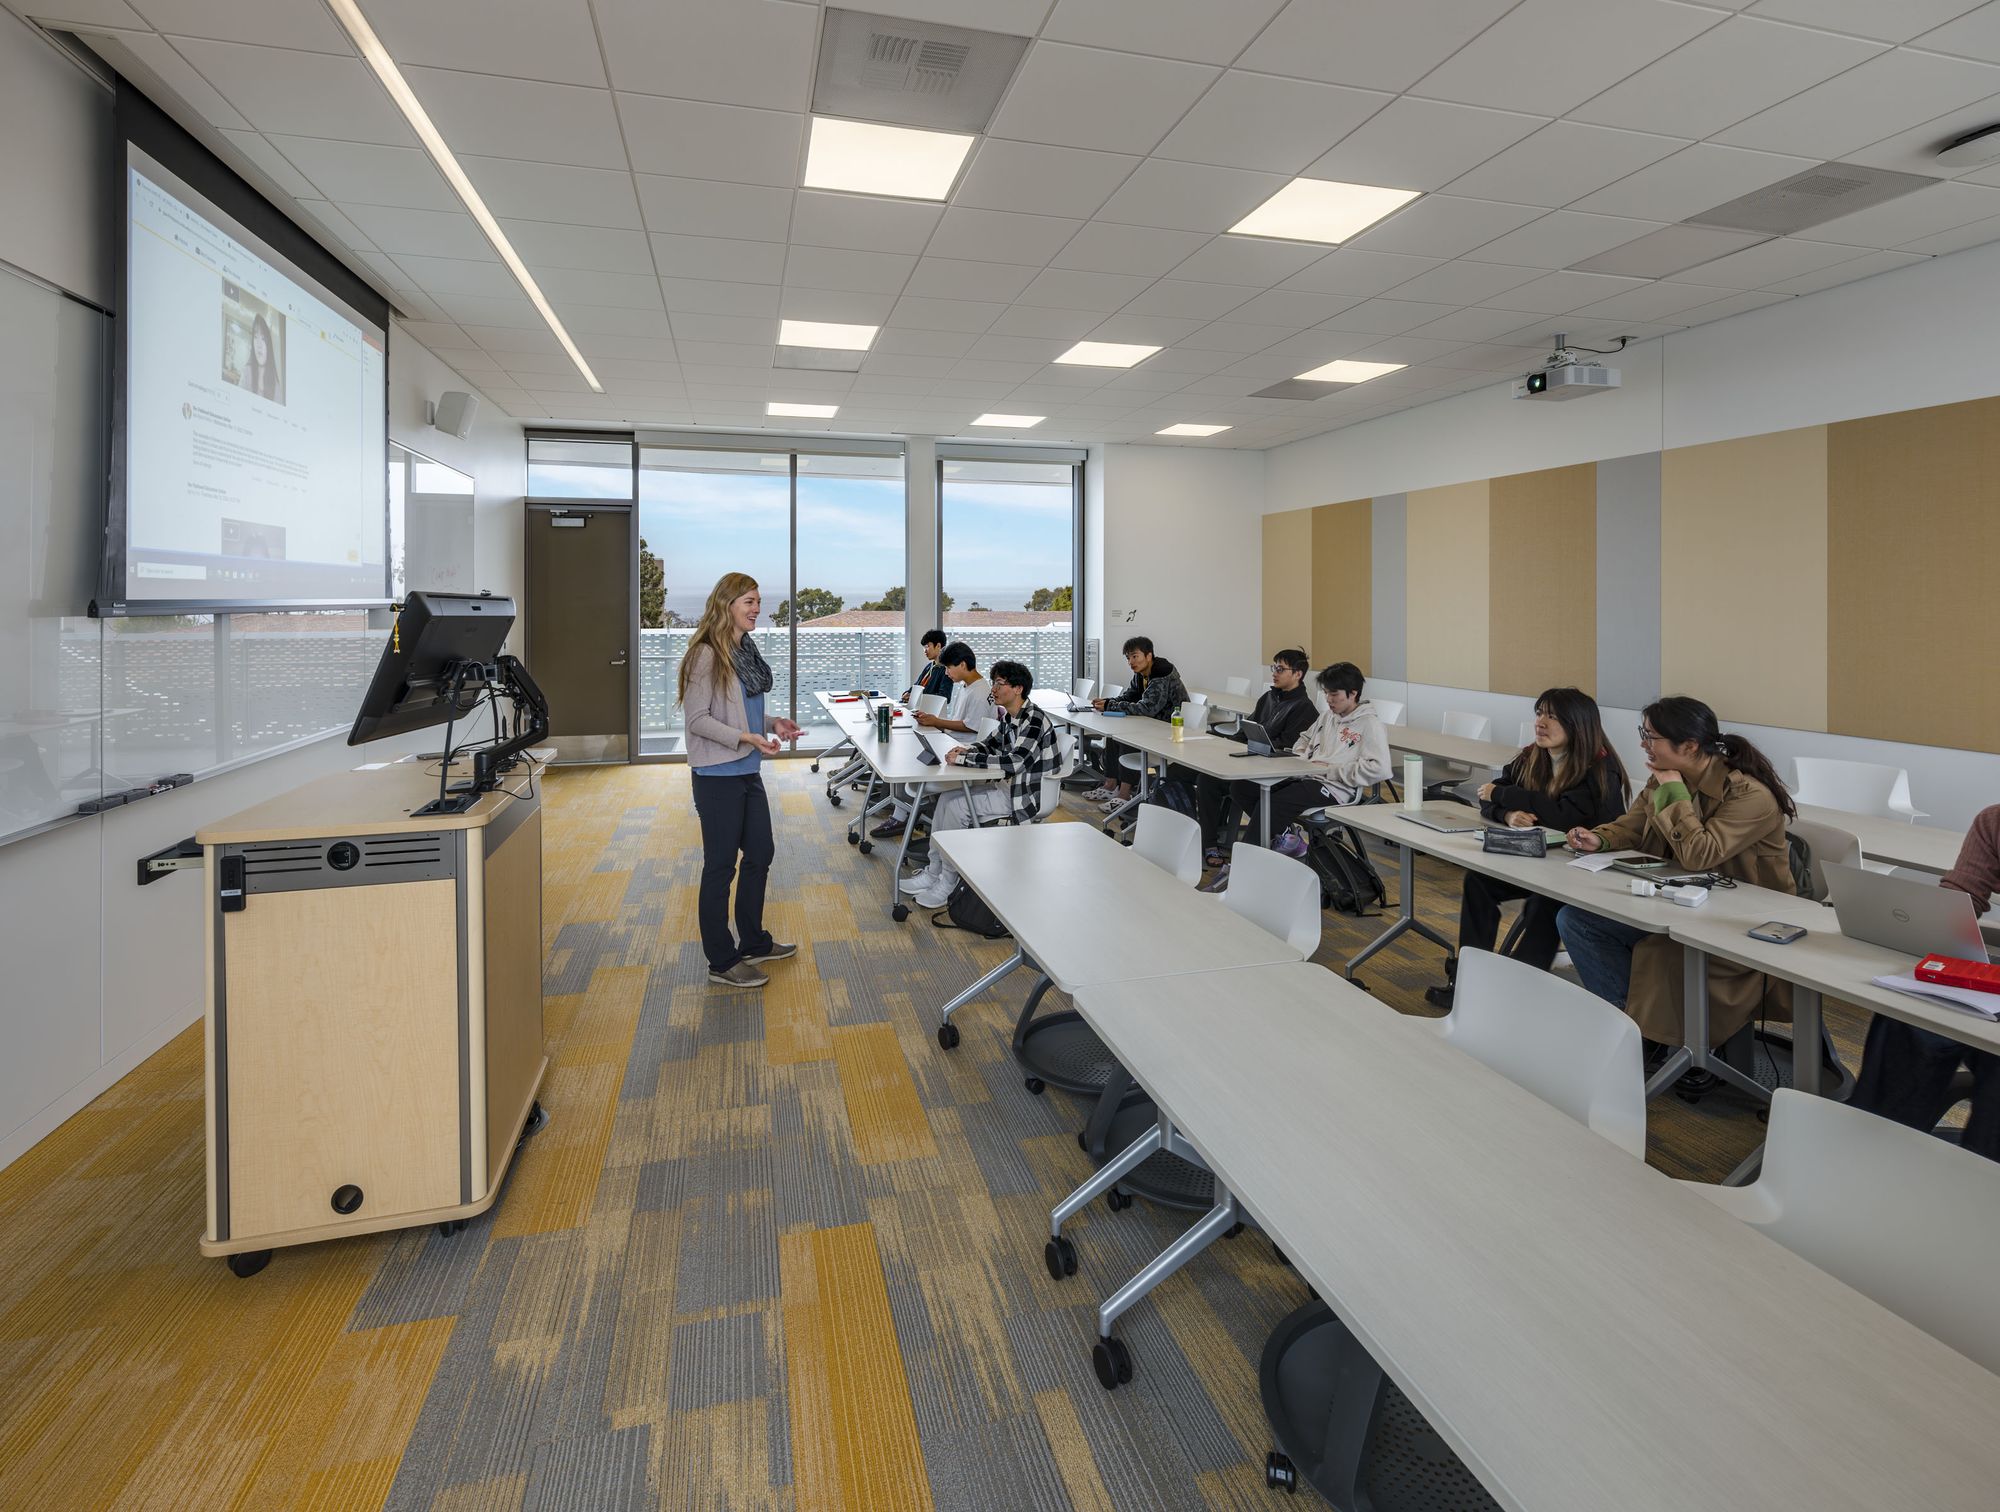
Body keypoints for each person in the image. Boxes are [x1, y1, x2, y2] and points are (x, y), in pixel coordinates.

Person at [1556, 696, 1793, 1074]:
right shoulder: (1665, 777)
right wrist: (1598, 838)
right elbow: (1633, 826)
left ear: (1690, 746)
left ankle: (1645, 1040)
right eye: (1644, 733)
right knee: (1577, 920)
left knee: (1660, 951)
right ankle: (1633, 1031)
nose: (1643, 743)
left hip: (1741, 923)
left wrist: (1674, 793)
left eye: (1651, 736)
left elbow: (1701, 854)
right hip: (1679, 903)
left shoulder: (1750, 795)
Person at [1424, 688, 1629, 1009]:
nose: (1540, 723)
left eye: (1552, 717)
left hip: (1586, 870)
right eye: (1539, 714)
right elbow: (1486, 796)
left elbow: (1563, 816)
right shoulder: (1532, 755)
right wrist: (1506, 814)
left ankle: (1515, 993)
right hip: (1541, 859)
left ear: (1578, 724)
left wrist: (1505, 797)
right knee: (1478, 882)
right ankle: (1468, 981)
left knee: (1544, 902)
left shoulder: (1600, 768)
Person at [1847, 804, 2000, 1161]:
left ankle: (1982, 1173)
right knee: (1908, 1017)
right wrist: (1927, 921)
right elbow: (1960, 899)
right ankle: (1873, 1150)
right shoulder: (1994, 821)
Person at [679, 571, 803, 989]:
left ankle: (753, 942)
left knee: (761, 852)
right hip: (717, 775)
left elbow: (738, 712)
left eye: (758, 601)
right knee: (720, 866)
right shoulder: (705, 655)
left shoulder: (743, 650)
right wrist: (745, 738)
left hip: (747, 770)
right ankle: (721, 960)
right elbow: (698, 720)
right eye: (749, 601)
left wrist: (771, 722)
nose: (757, 608)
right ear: (726, 604)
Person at [1203, 661, 1391, 891]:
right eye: (1326, 693)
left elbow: (1380, 768)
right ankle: (1286, 836)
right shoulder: (1327, 717)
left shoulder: (1370, 724)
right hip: (1305, 776)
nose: (1329, 700)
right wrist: (1302, 756)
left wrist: (1331, 770)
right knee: (1242, 787)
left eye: (1334, 694)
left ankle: (1241, 869)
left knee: (1274, 803)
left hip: (1335, 787)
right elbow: (1303, 738)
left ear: (1353, 694)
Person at [899, 661, 1063, 910]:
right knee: (946, 800)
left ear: (1018, 688)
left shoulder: (1034, 720)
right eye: (994, 682)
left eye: (999, 684)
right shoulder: (1011, 716)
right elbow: (990, 744)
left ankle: (948, 880)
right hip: (1007, 787)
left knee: (957, 807)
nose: (993, 689)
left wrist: (964, 759)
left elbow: (1015, 762)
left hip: (1025, 795)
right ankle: (934, 871)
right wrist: (965, 750)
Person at [1163, 649, 1317, 867]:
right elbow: (1246, 729)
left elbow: (1286, 749)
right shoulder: (1269, 697)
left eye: (1280, 669)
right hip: (1248, 761)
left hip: (1270, 773)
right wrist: (1224, 746)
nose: (1274, 673)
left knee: (1208, 781)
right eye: (1273, 667)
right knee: (1184, 772)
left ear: (1298, 674)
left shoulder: (1304, 708)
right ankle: (1193, 836)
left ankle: (1213, 842)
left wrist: (1247, 748)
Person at [870, 642, 997, 840]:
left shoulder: (979, 692)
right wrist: (935, 722)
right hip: (952, 742)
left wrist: (937, 722)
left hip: (962, 751)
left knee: (911, 764)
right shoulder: (968, 686)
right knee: (911, 754)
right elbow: (962, 722)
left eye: (948, 668)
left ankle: (902, 816)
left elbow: (970, 727)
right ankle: (903, 812)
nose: (946, 673)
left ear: (962, 665)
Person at [1081, 636, 1188, 814]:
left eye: (1135, 656)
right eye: (1128, 658)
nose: (1131, 662)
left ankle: (1124, 795)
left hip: (1170, 730)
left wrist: (1111, 705)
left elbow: (1148, 708)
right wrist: (1106, 702)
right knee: (1113, 736)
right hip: (1150, 726)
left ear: (1149, 656)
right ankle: (1110, 786)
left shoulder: (1162, 674)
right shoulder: (1141, 674)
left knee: (1127, 739)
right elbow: (1129, 696)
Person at [244, 313, 282, 403]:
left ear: (269, 345)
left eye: (263, 339)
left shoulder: (276, 386)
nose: (259, 345)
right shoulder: (246, 372)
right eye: (255, 337)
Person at [912, 628, 952, 702]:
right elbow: (917, 685)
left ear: (938, 646)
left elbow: (945, 696)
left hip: (929, 708)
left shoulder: (947, 670)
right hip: (919, 706)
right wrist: (908, 693)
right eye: (924, 647)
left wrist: (919, 697)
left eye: (927, 646)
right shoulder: (929, 666)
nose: (925, 651)